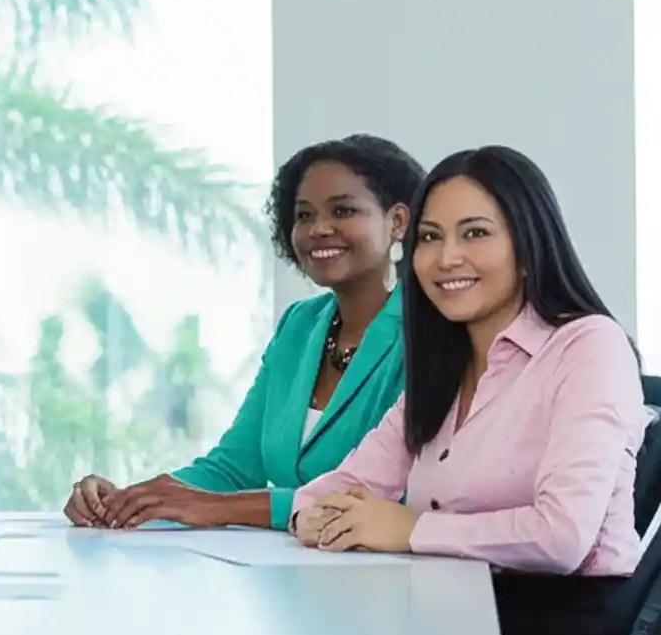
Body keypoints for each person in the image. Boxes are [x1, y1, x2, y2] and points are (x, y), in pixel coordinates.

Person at [291, 145, 647, 635]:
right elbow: (331, 490)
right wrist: (314, 517)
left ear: (528, 247)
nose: (446, 257)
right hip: (443, 622)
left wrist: (410, 529)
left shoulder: (588, 345)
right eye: (430, 238)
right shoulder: (444, 367)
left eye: (475, 233)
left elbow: (562, 535)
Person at [64, 134, 425, 531]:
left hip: (384, 581)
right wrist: (127, 502)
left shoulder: (426, 335)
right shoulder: (300, 327)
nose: (319, 228)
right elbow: (235, 468)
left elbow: (396, 495)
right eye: (304, 215)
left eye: (343, 211)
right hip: (293, 575)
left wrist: (222, 508)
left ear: (397, 221)